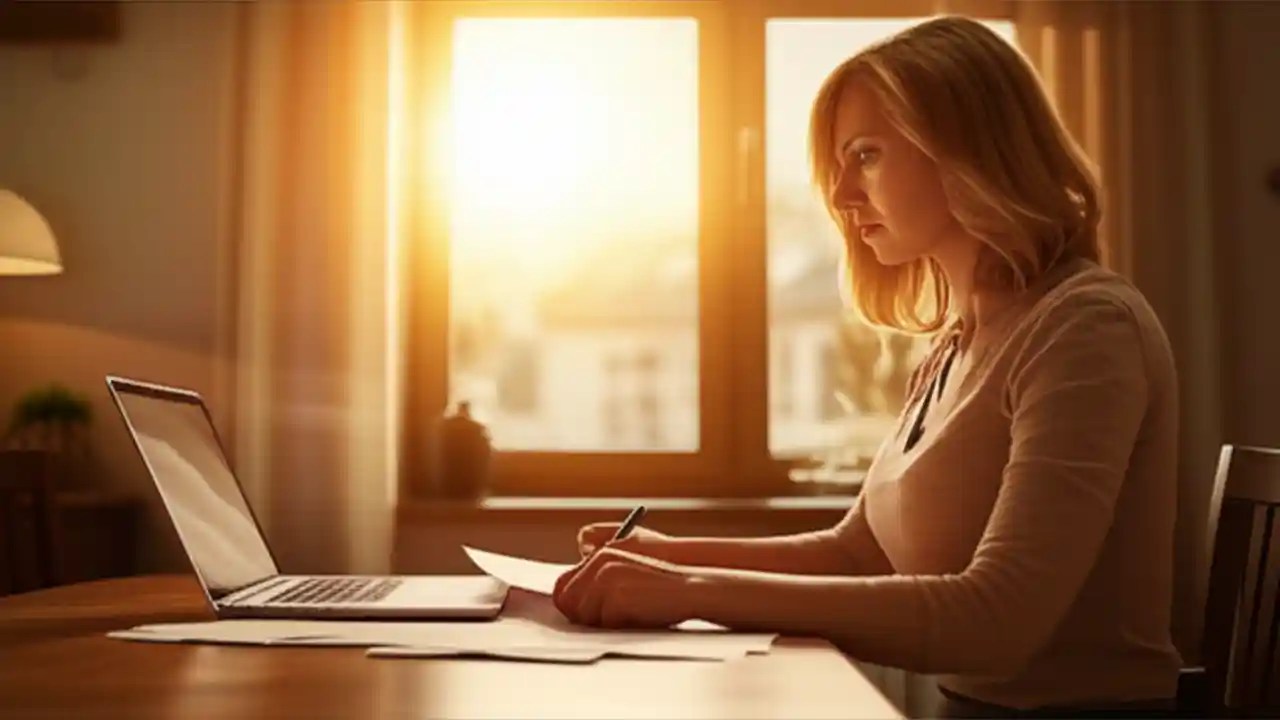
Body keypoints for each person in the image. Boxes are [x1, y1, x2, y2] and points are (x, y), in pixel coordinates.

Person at [551, 14, 1184, 718]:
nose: (842, 194)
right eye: (841, 164)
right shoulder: (957, 342)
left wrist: (691, 592)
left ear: (967, 150)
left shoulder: (1086, 329)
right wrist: (669, 556)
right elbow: (858, 553)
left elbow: (997, 621)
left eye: (867, 156)